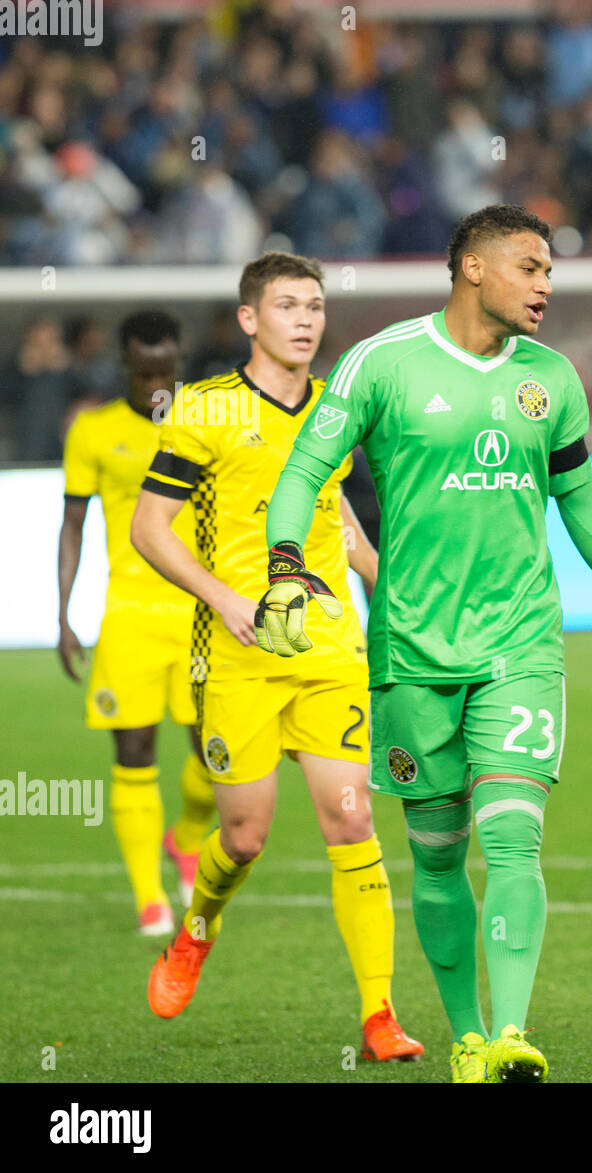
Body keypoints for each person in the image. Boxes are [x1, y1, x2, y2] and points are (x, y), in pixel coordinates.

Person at [254, 204, 592, 1083]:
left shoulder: (553, 379)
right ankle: (467, 1034)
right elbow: (304, 472)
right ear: (473, 267)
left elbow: (582, 505)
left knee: (512, 840)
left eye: (550, 271)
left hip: (520, 645)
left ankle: (511, 1033)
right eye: (531, 266)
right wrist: (286, 567)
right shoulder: (381, 364)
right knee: (436, 859)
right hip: (410, 651)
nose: (547, 285)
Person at [130, 252, 423, 1062]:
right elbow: (149, 528)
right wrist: (225, 600)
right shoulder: (203, 410)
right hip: (237, 653)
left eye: (316, 306)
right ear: (250, 319)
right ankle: (196, 930)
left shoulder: (339, 410)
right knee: (247, 835)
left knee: (352, 817)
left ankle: (378, 1018)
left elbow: (342, 525)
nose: (306, 319)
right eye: (288, 305)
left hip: (329, 646)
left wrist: (393, 589)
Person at [58, 310, 214, 935]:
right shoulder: (92, 431)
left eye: (166, 370)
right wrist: (63, 612)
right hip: (128, 612)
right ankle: (150, 896)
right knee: (134, 751)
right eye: (145, 369)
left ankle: (188, 837)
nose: (157, 383)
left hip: (202, 609)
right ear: (123, 361)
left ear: (179, 361)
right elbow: (71, 523)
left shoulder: (205, 420)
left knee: (213, 752)